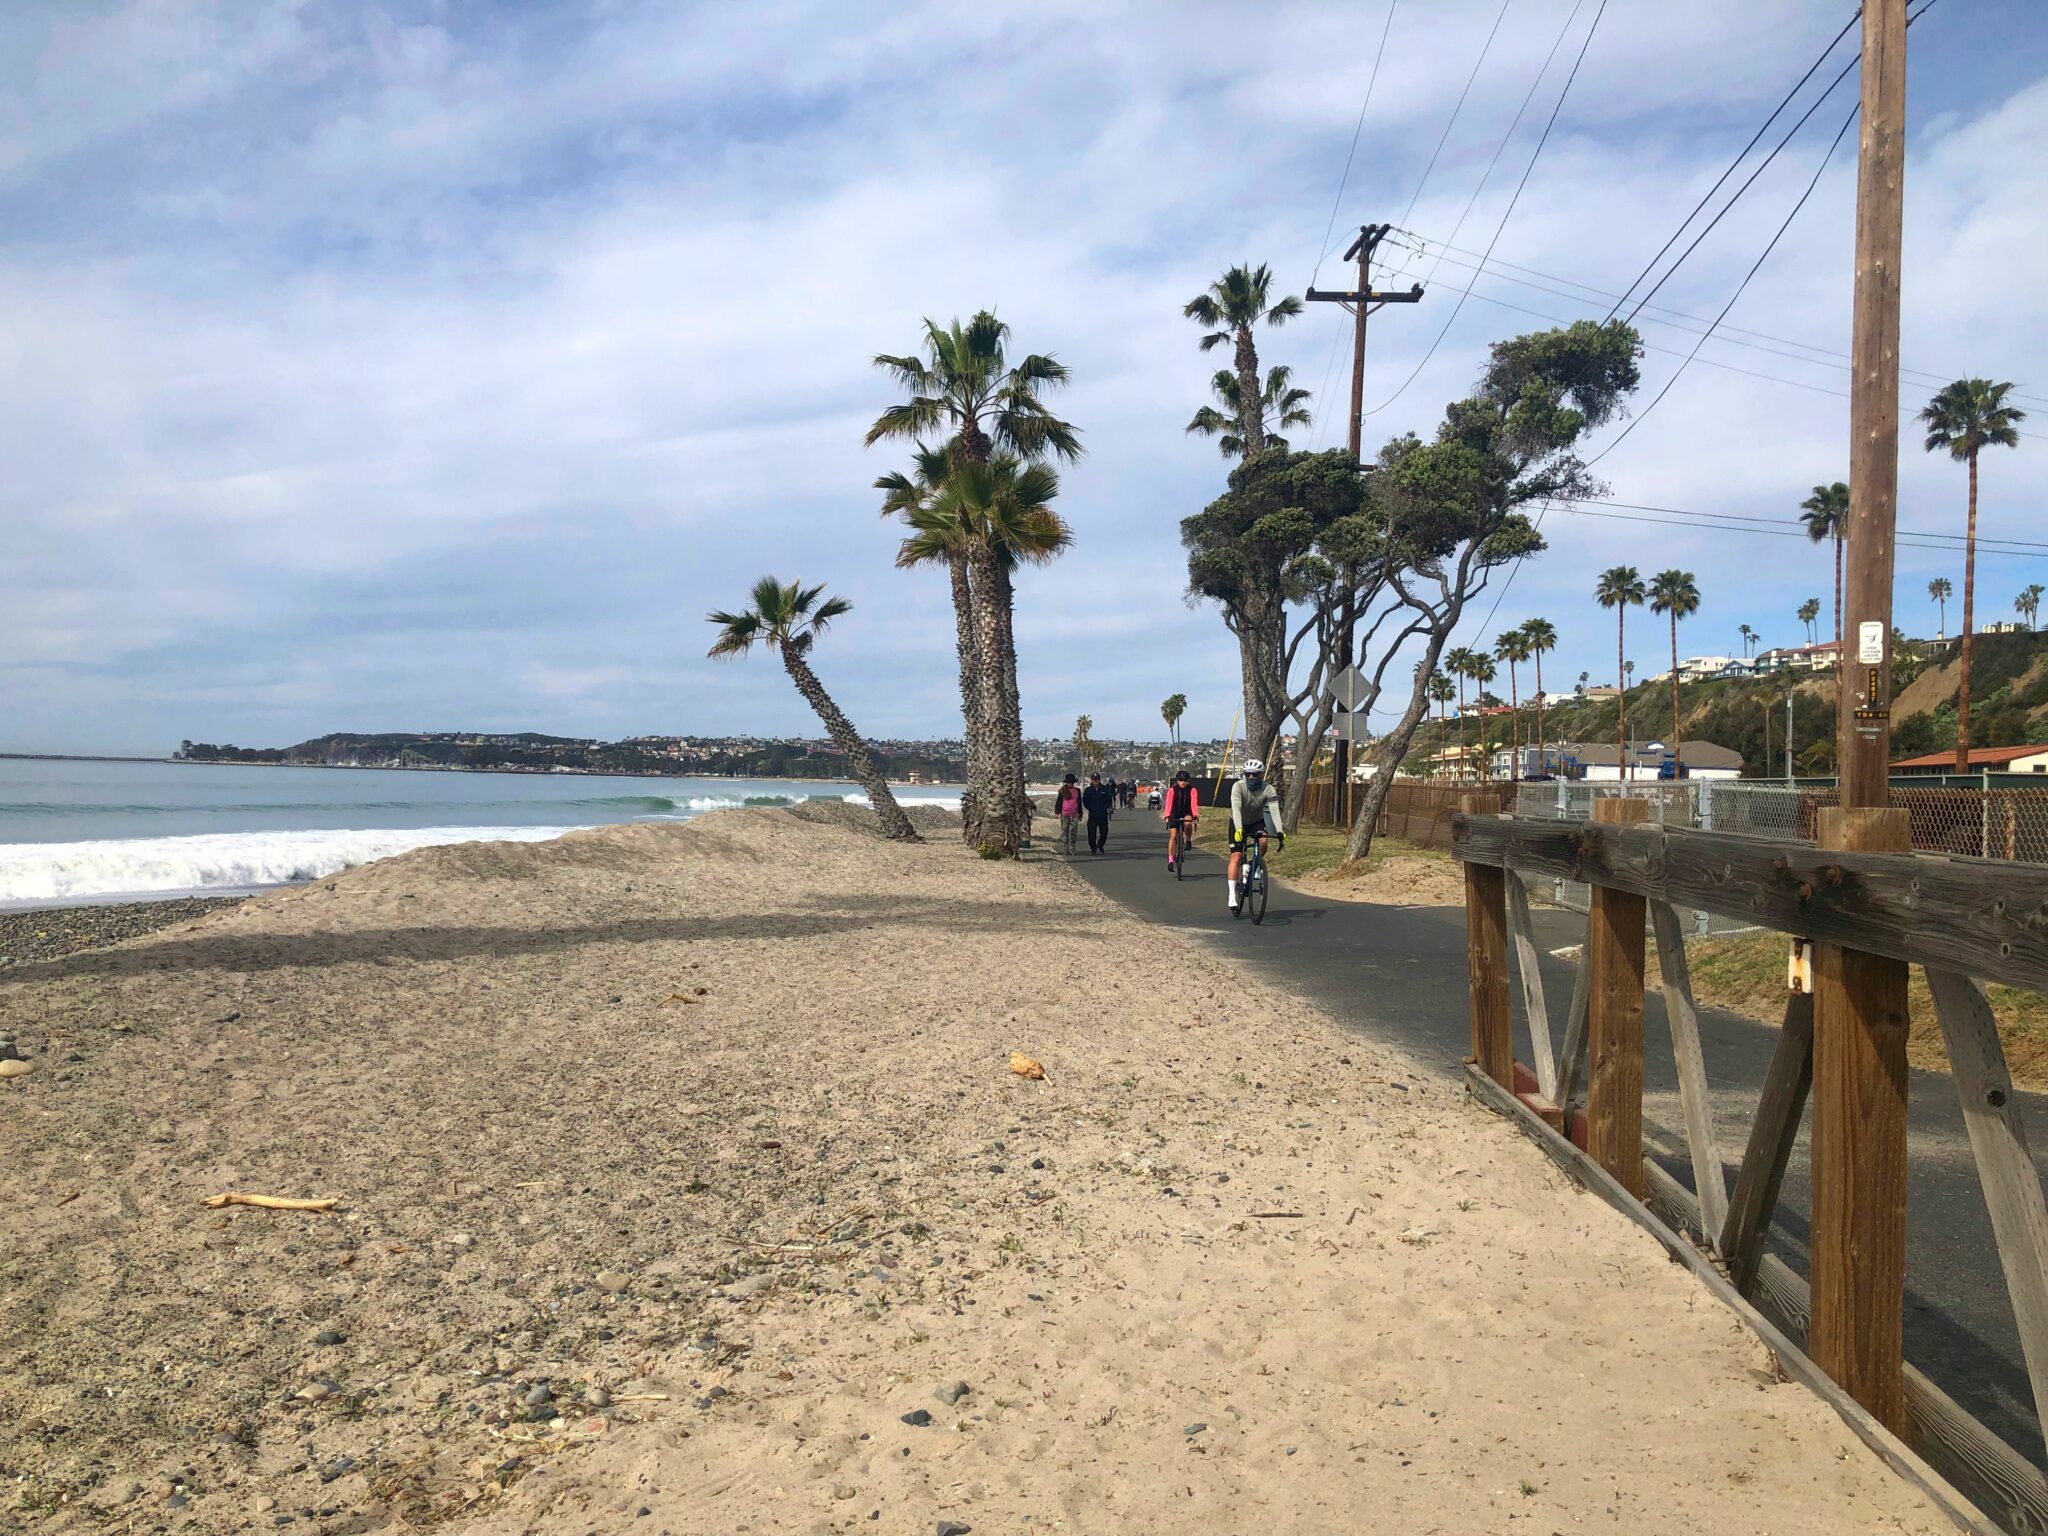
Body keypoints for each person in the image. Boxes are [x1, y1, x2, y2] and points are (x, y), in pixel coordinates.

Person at [1226, 758, 1284, 910]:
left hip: (1256, 821)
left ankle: (1255, 864)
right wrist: (1239, 829)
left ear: (1260, 775)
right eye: (1248, 774)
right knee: (1236, 856)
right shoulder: (1238, 787)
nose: (1251, 777)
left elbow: (1274, 811)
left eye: (1254, 774)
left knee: (1263, 841)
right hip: (1237, 822)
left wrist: (1279, 830)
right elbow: (1236, 809)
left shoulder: (1268, 789)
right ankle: (1232, 894)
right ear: (1244, 774)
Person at [1160, 769, 1200, 872]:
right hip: (1174, 813)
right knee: (1173, 835)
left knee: (1187, 823)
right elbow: (1168, 804)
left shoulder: (1192, 790)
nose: (1183, 782)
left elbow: (1194, 803)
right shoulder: (1172, 790)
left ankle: (1188, 840)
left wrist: (1195, 815)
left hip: (1187, 812)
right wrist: (1167, 816)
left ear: (1188, 781)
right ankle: (1170, 860)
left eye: (1185, 780)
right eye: (1181, 780)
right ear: (1177, 781)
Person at [1081, 771, 1115, 853]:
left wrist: (1106, 808)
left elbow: (1108, 800)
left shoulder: (1105, 789)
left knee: (1104, 832)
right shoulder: (1088, 790)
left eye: (1097, 779)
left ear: (1099, 779)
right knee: (1091, 833)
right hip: (1092, 815)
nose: (1095, 781)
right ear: (1091, 780)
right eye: (1094, 779)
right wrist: (1090, 808)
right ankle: (1093, 848)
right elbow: (1085, 801)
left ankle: (1100, 845)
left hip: (1103, 815)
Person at [1053, 773, 1084, 855]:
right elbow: (1059, 802)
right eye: (1069, 782)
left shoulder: (1077, 790)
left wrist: (1080, 813)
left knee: (1073, 831)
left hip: (1074, 814)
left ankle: (1072, 848)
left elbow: (1079, 802)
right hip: (1064, 814)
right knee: (1064, 831)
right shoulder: (1062, 790)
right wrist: (1057, 812)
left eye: (1072, 782)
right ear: (1066, 782)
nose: (1070, 784)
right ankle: (1065, 849)